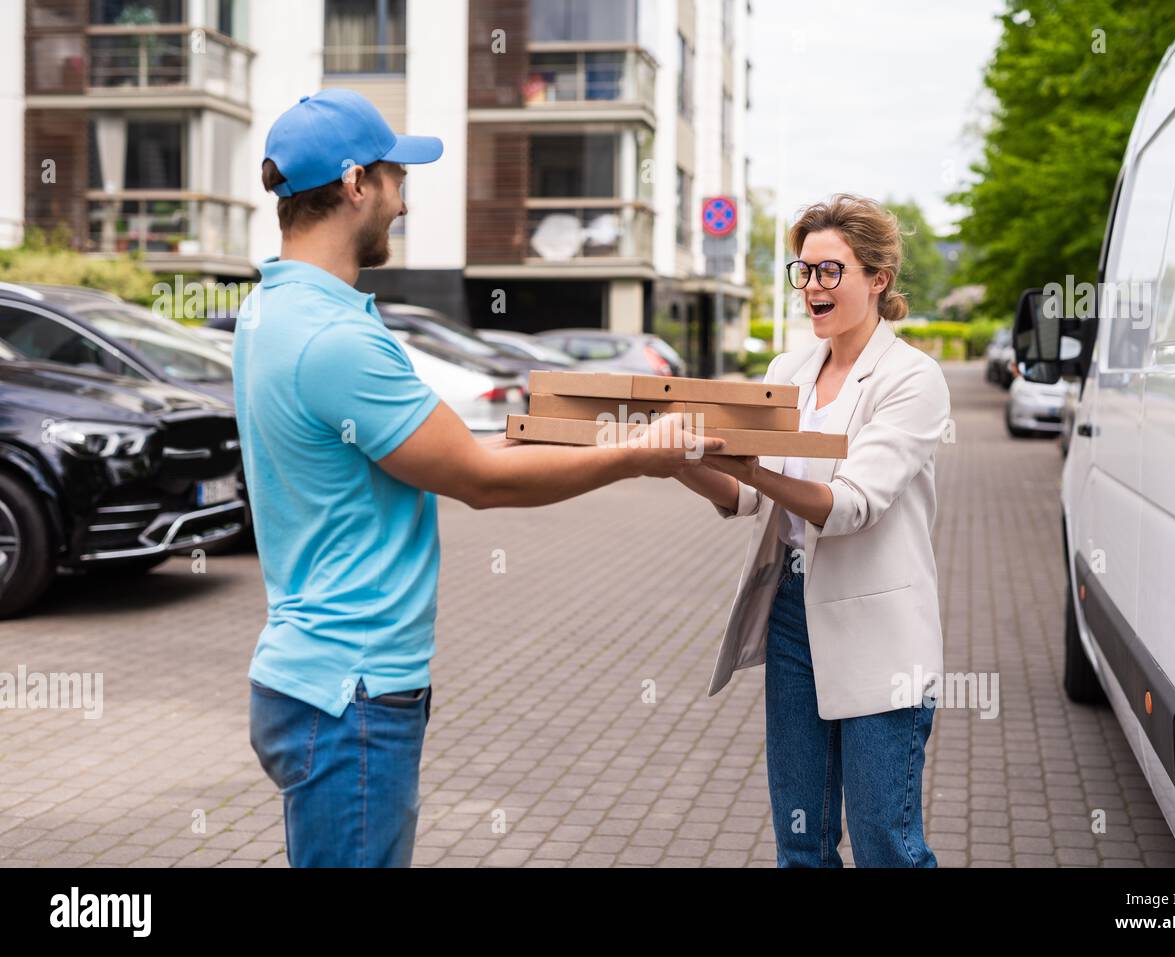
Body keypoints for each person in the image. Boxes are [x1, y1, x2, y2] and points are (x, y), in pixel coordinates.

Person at [235, 88, 721, 867]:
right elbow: (481, 477)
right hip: (350, 694)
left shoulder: (270, 310)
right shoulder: (331, 338)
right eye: (396, 177)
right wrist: (640, 452)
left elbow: (427, 445)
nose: (403, 199)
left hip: (313, 679)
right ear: (356, 183)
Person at [675, 193, 951, 867]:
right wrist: (674, 463)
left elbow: (852, 503)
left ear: (878, 279)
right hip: (793, 616)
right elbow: (746, 496)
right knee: (802, 842)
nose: (813, 287)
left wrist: (755, 471)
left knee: (887, 845)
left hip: (879, 630)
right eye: (805, 271)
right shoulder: (788, 373)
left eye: (832, 271)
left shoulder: (912, 378)